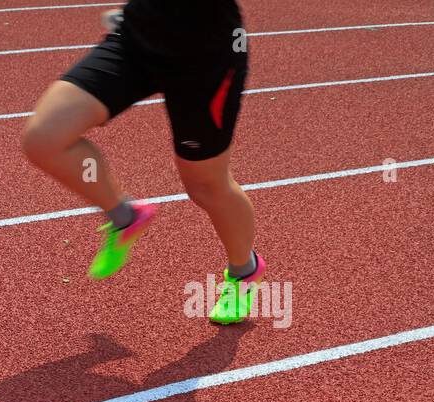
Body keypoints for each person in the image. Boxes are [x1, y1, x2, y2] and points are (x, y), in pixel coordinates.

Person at [21, 1, 261, 323]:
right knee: (44, 139)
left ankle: (244, 271)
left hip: (206, 59)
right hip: (136, 40)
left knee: (207, 187)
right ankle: (125, 218)